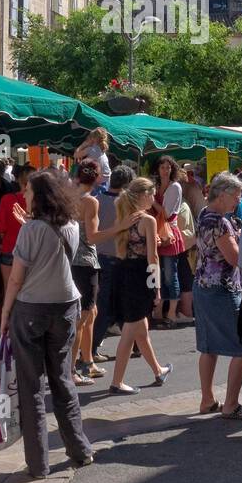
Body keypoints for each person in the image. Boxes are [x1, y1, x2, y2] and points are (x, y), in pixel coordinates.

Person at [0, 169, 94, 478]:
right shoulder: (72, 225)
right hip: (66, 305)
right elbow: (51, 249)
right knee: (62, 380)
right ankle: (79, 448)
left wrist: (4, 313)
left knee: (32, 388)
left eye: (27, 191)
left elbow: (16, 278)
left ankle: (38, 463)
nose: (24, 195)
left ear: (39, 197)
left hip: (31, 308)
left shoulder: (31, 231)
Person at [193, 171, 242, 420]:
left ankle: (207, 400)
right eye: (236, 195)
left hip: (203, 286)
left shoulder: (204, 214)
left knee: (208, 348)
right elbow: (236, 259)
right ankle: (231, 404)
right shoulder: (221, 222)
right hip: (222, 290)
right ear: (222, 195)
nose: (239, 201)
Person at [107, 177, 170, 394]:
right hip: (139, 277)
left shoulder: (123, 215)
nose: (154, 198)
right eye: (152, 194)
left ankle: (158, 370)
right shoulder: (147, 220)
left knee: (140, 329)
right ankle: (117, 382)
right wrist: (157, 287)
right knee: (131, 331)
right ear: (143, 195)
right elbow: (153, 257)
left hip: (122, 273)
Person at [91, 164, 138, 363]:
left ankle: (136, 344)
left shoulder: (96, 200)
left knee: (106, 303)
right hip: (118, 259)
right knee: (114, 305)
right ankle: (91, 349)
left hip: (98, 257)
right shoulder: (126, 205)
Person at [69, 160, 104, 383]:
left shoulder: (69, 196)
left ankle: (87, 360)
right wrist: (119, 228)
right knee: (81, 318)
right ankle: (71, 370)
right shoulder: (90, 201)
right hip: (85, 262)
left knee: (90, 313)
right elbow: (92, 236)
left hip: (71, 260)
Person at [153, 156, 189, 328]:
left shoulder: (175, 187)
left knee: (170, 274)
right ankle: (160, 309)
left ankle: (172, 312)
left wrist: (152, 200)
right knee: (158, 274)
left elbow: (167, 215)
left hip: (168, 234)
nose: (165, 170)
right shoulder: (157, 186)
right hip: (156, 232)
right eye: (162, 167)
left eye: (168, 167)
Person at [0, 164, 29, 295]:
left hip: (9, 248)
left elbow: (0, 228)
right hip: (30, 251)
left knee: (9, 289)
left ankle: (7, 315)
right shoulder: (41, 201)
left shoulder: (7, 199)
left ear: (18, 180)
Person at [77, 128, 112, 192]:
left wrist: (83, 144)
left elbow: (76, 155)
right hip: (107, 182)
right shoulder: (102, 151)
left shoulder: (91, 149)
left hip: (98, 183)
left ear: (93, 138)